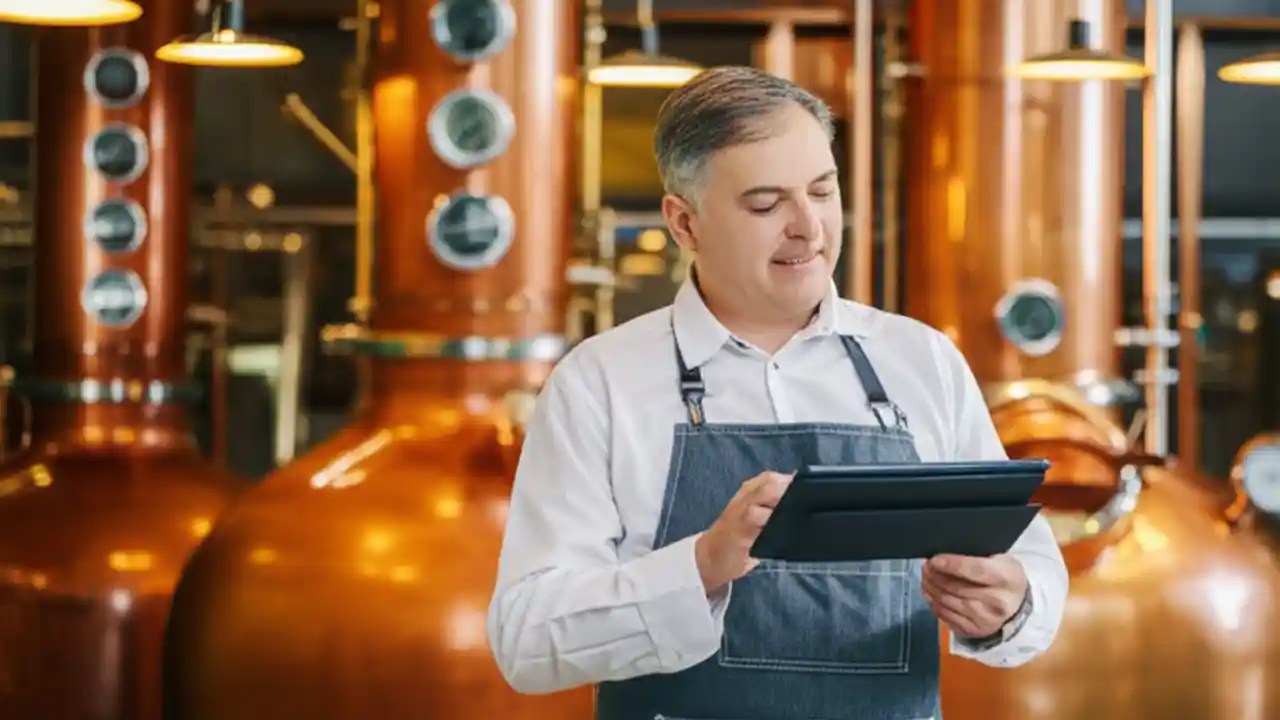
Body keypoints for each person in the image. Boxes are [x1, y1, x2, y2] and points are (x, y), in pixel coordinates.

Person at [486, 65, 1068, 720]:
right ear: (684, 223)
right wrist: (702, 565)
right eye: (766, 205)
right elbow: (527, 641)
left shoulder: (923, 363)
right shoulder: (600, 383)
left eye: (822, 191)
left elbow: (1032, 577)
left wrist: (1009, 604)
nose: (809, 228)